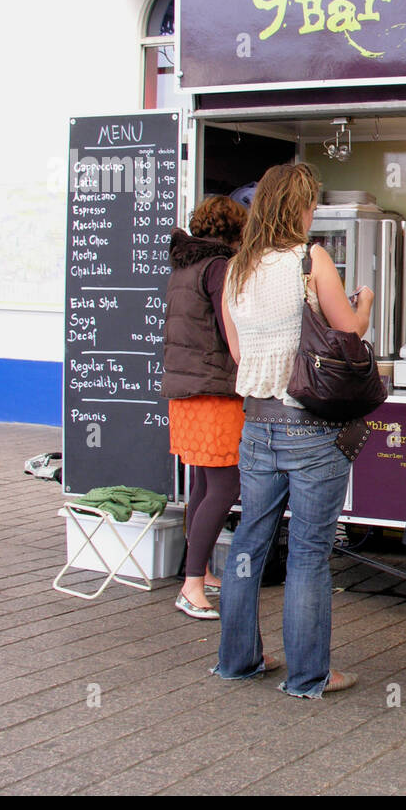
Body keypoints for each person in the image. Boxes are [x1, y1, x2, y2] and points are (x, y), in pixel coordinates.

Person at [213, 162, 374, 697]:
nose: (312, 214)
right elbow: (347, 335)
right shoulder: (310, 260)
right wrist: (365, 304)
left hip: (256, 427)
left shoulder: (235, 269)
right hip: (310, 429)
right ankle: (309, 675)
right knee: (308, 553)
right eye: (309, 205)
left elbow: (239, 354)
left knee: (247, 544)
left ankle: (238, 661)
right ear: (299, 209)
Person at [162, 195, 247, 620]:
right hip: (214, 391)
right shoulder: (219, 268)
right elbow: (229, 327)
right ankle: (192, 585)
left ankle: (201, 569)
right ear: (235, 231)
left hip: (186, 390)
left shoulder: (184, 265)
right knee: (225, 486)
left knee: (202, 484)